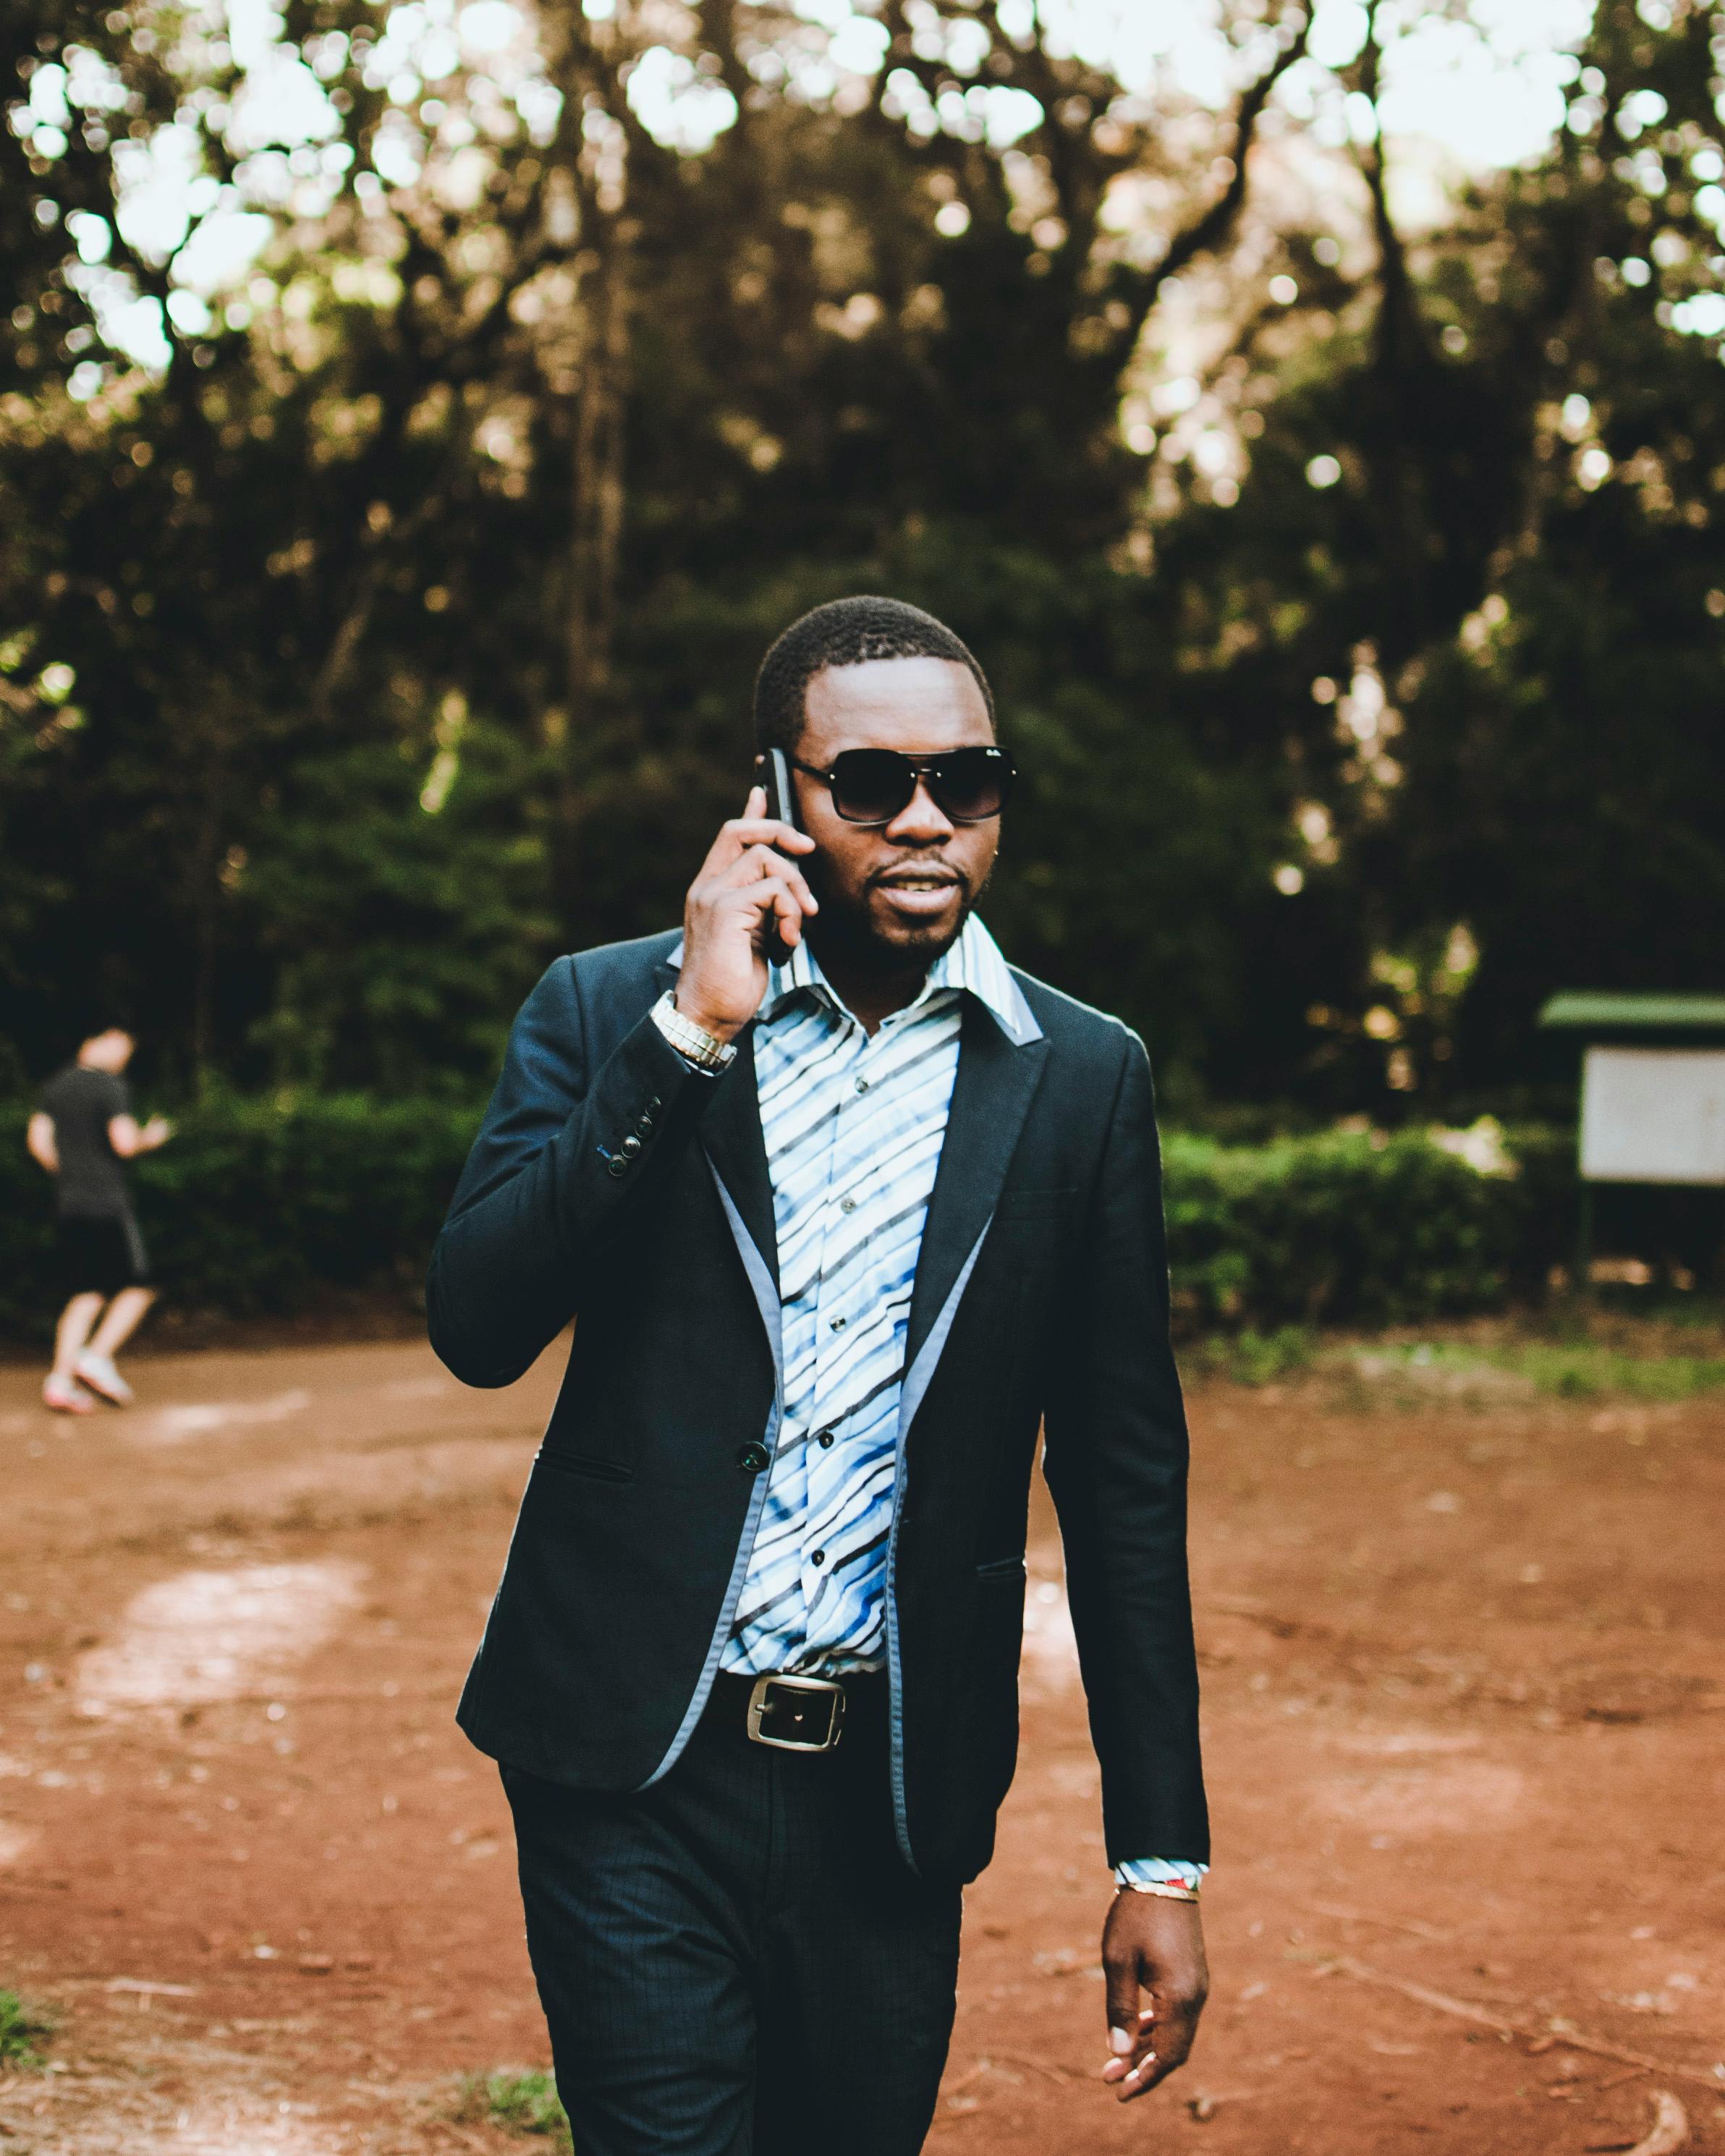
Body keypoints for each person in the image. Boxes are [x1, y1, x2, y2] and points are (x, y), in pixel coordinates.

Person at [429, 596, 1208, 2156]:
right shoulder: (606, 1007)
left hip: (896, 1789)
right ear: (775, 798)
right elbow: (479, 1319)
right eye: (870, 785)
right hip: (628, 1755)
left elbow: (1122, 1478)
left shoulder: (1082, 1073)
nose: (925, 820)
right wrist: (689, 1028)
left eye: (966, 782)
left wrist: (1160, 1857)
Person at [27, 1027, 171, 1414]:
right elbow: (123, 1143)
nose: (122, 1058)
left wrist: (68, 1173)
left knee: (86, 1292)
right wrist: (150, 1139)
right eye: (118, 1048)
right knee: (140, 1287)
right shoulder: (110, 1087)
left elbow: (38, 1140)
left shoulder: (55, 1087)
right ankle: (96, 1357)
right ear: (90, 1042)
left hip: (69, 1201)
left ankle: (60, 1381)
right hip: (106, 1203)